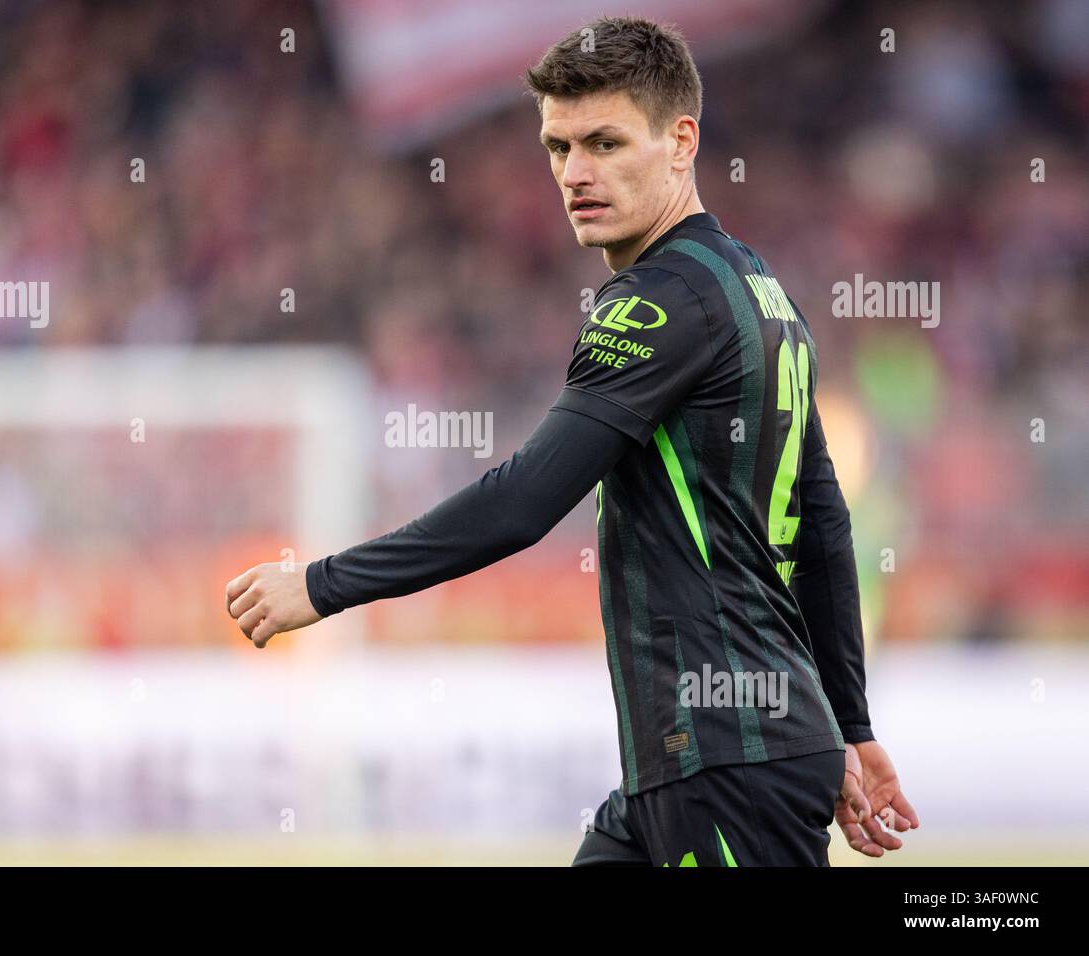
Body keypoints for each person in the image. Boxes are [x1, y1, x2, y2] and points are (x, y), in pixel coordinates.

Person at [226, 15, 918, 866]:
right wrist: (846, 722)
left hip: (725, 758)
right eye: (558, 148)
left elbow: (523, 500)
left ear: (680, 142)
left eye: (604, 143)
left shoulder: (655, 305)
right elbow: (824, 527)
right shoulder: (762, 292)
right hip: (709, 756)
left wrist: (324, 586)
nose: (575, 174)